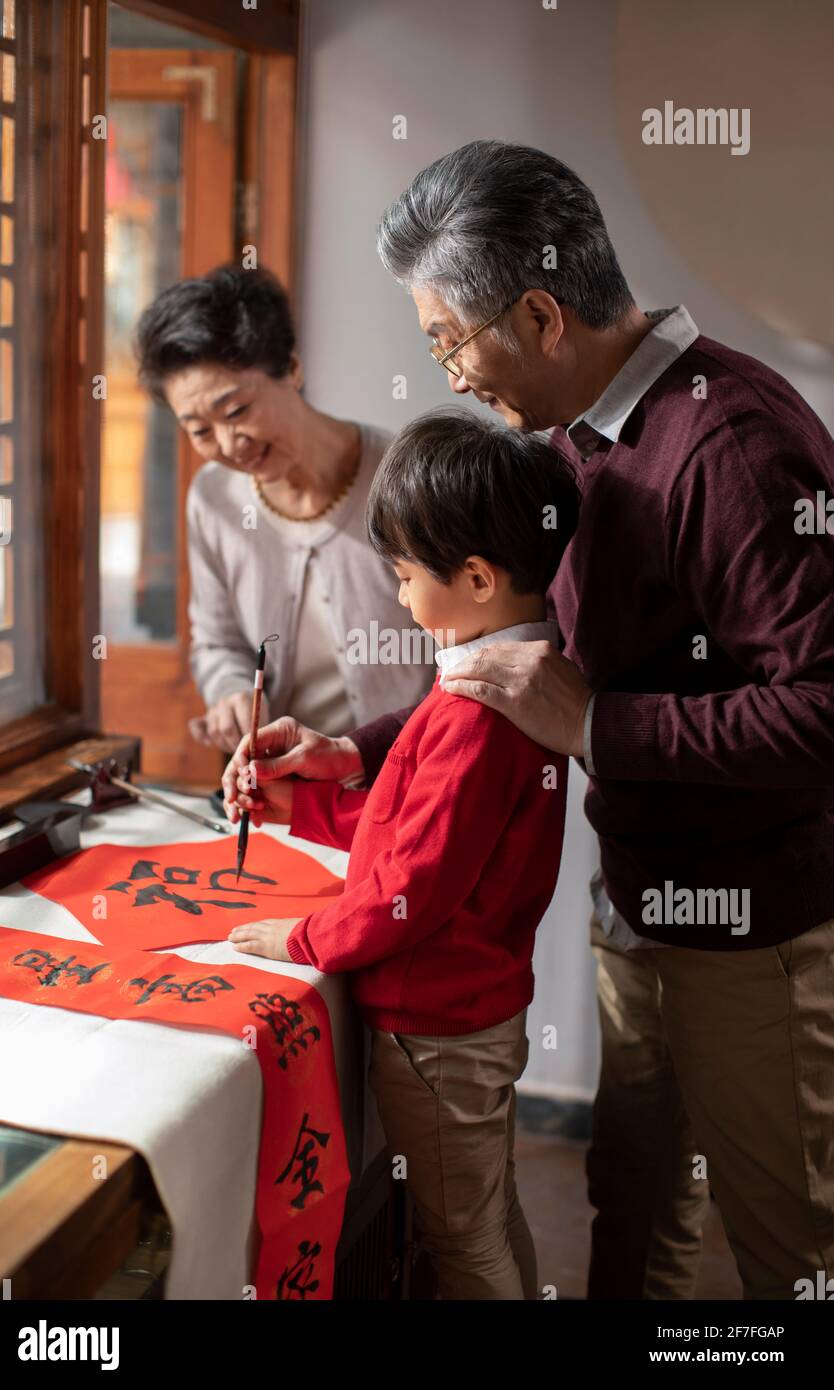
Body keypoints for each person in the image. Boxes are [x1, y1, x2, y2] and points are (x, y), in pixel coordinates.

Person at [223, 141, 834, 1302]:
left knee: (785, 1242)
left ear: (542, 313)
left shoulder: (734, 443)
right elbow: (515, 664)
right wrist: (350, 747)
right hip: (638, 899)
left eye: (449, 340)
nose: (449, 373)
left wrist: (600, 728)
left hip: (754, 933)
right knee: (636, 1197)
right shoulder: (567, 441)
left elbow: (819, 711)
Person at [223, 410, 580, 1300]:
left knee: (460, 1238)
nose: (400, 593)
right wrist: (297, 803)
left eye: (406, 575)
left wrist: (301, 940)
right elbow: (409, 828)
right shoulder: (515, 677)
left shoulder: (472, 713)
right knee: (486, 1215)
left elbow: (407, 888)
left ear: (478, 578)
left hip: (440, 1028)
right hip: (471, 1013)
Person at [135, 263, 433, 753]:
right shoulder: (214, 500)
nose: (231, 444)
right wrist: (230, 691)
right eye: (200, 430)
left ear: (292, 368)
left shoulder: (406, 478)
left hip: (407, 777)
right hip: (288, 786)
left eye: (237, 411)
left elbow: (462, 649)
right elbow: (216, 641)